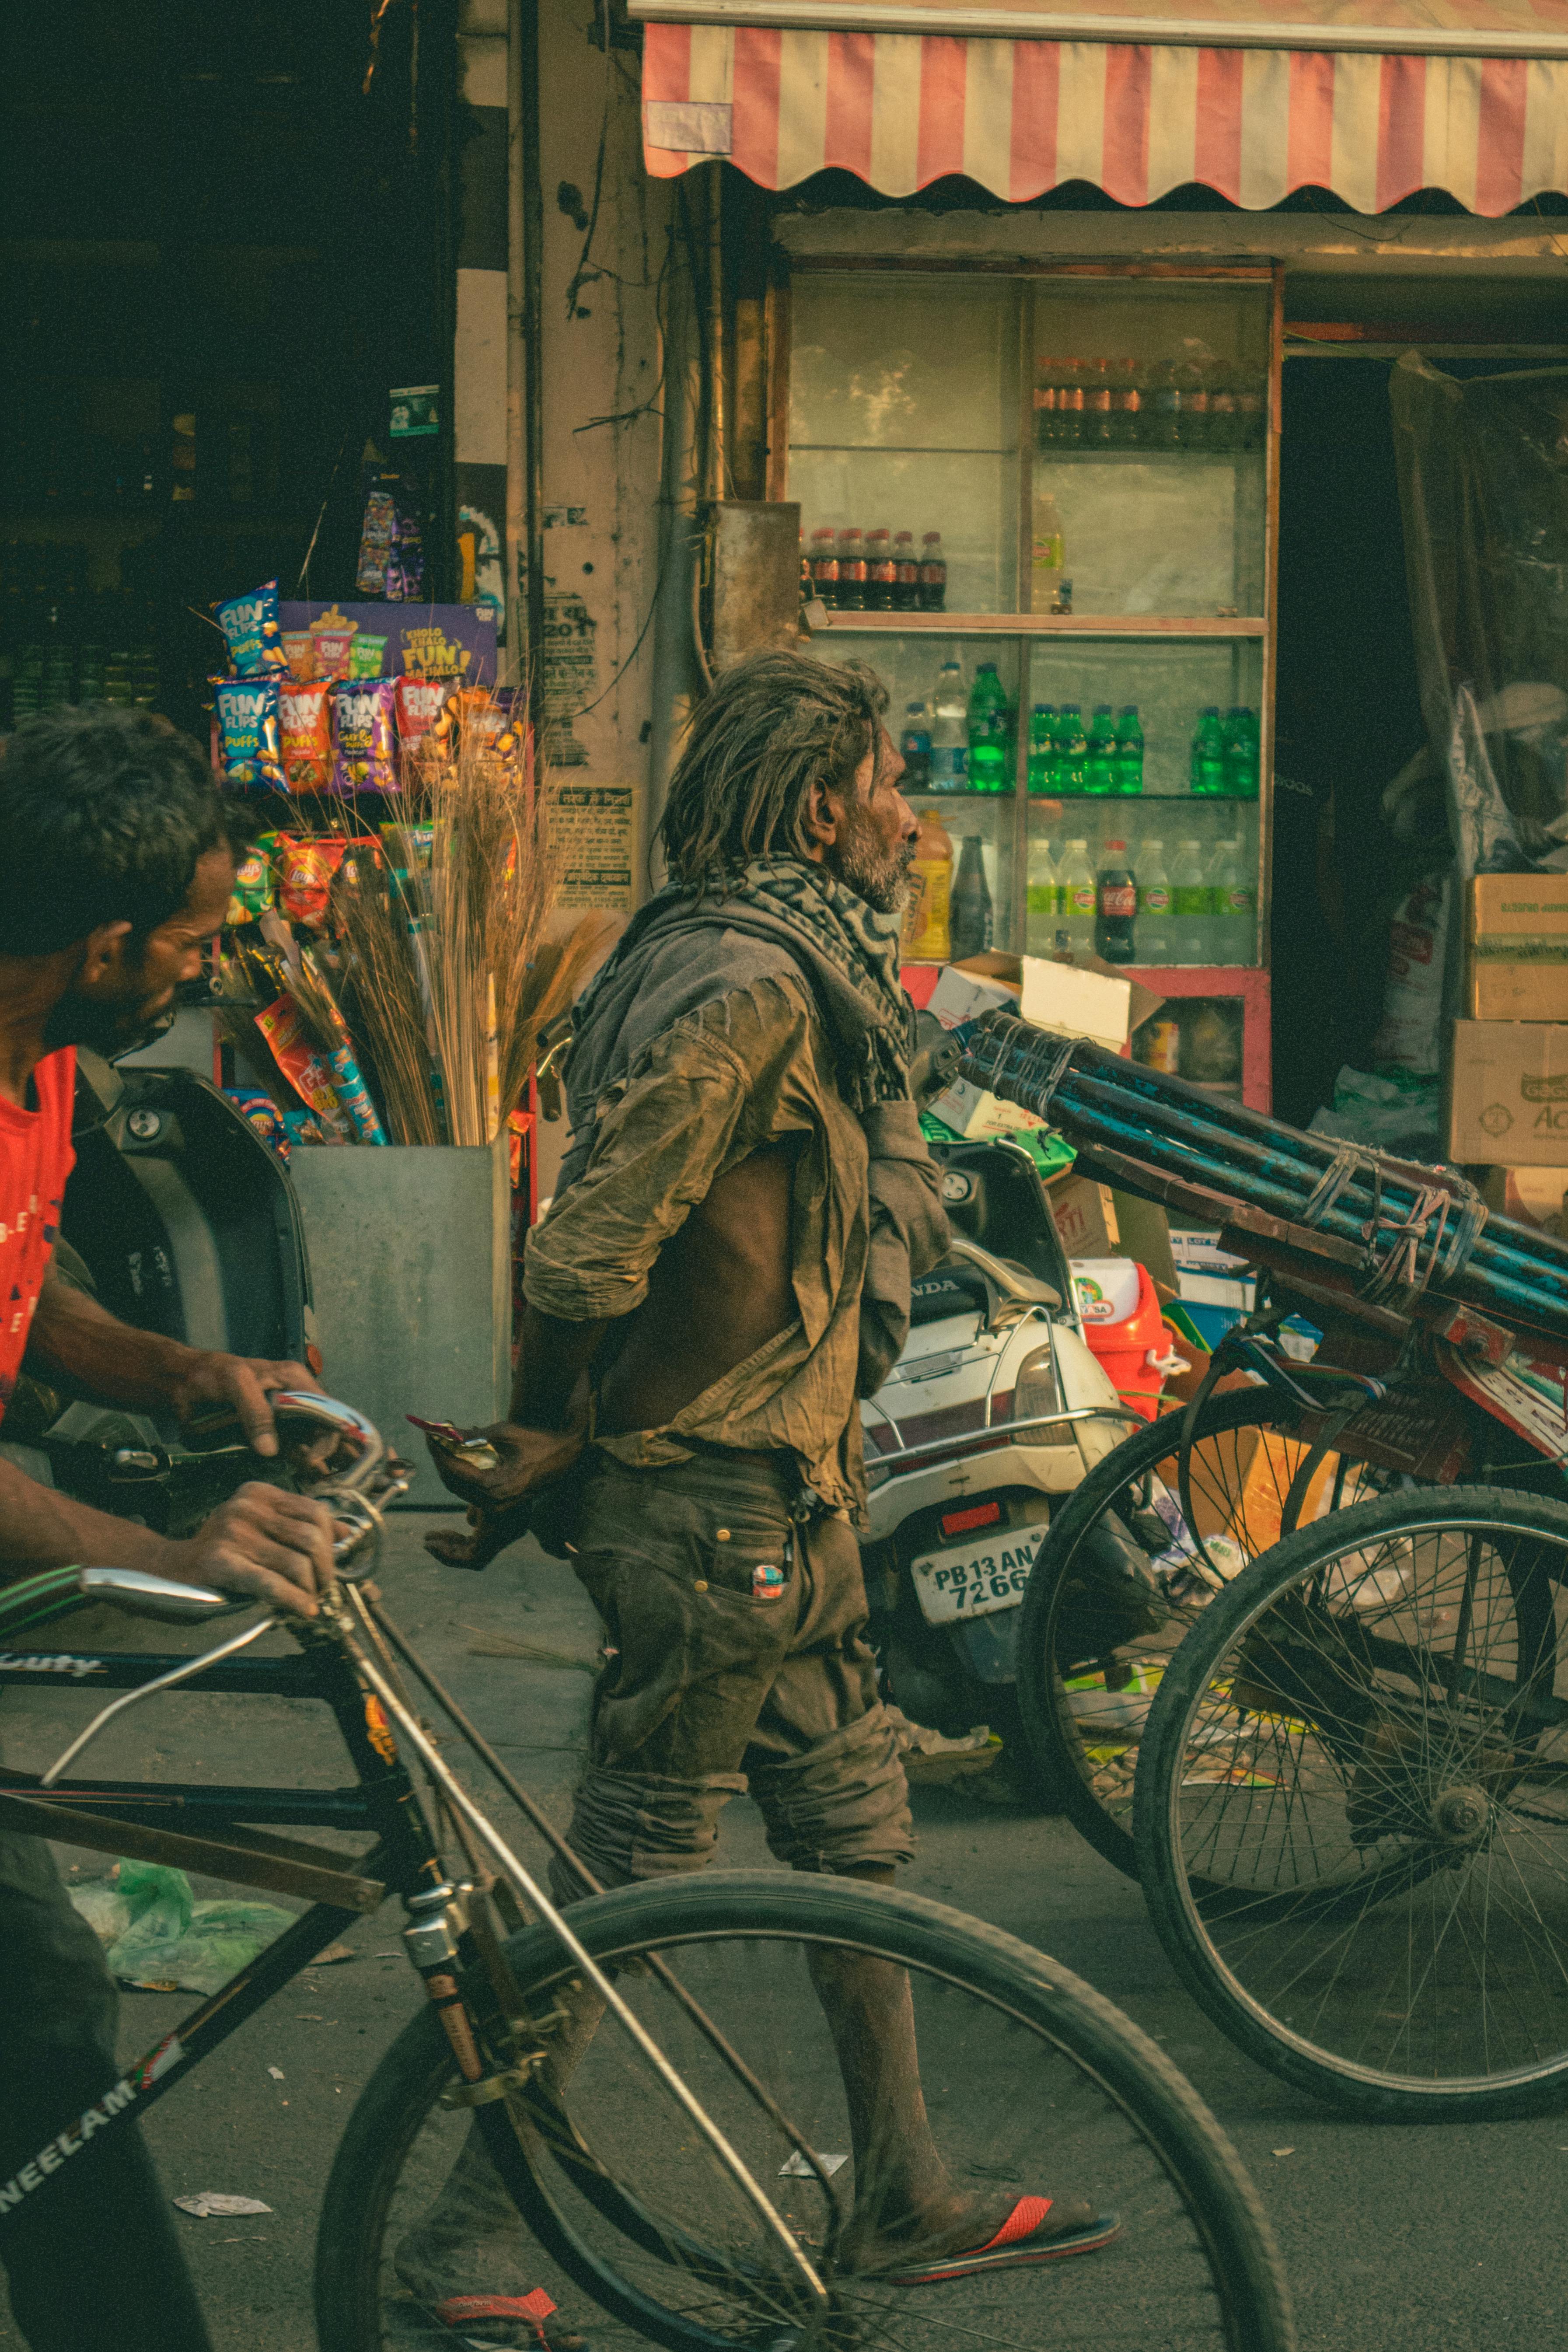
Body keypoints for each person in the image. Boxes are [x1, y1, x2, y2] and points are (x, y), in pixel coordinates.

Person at [409, 652, 1112, 2328]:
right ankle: (453, 2233)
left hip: (781, 1494)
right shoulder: (751, 982)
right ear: (818, 806)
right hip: (708, 1500)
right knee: (635, 1877)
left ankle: (901, 2183)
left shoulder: (763, 957)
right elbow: (592, 1247)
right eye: (884, 783)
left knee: (852, 1824)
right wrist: (541, 1434)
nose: (906, 812)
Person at [0, 706, 337, 2352]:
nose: (211, 972)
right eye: (198, 943)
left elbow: (24, 1297)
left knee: (33, 1998)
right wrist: (168, 1559)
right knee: (39, 1992)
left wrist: (188, 1372)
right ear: (107, 938)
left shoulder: (48, 1069)